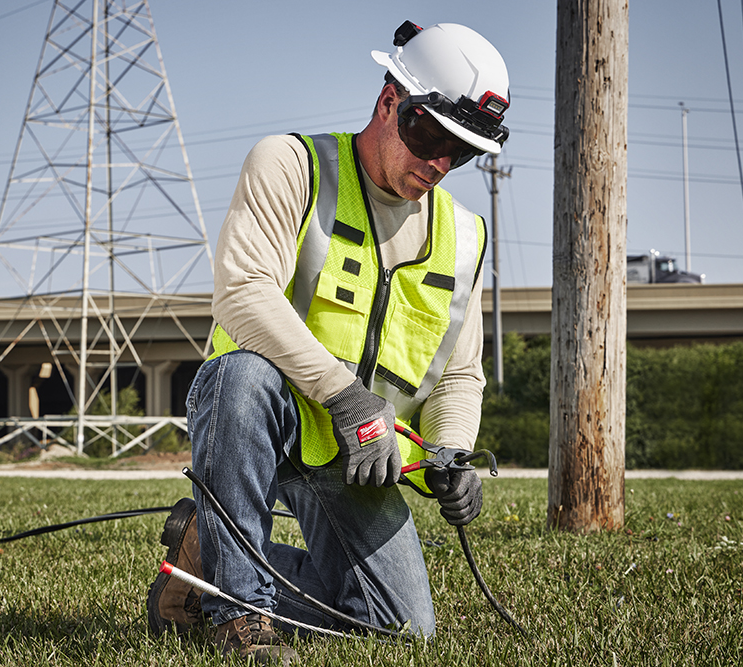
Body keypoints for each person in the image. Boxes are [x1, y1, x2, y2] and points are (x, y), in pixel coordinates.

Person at [147, 20, 511, 665]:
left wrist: (449, 456)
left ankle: (200, 566)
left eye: (462, 152)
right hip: (264, 418)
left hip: (355, 455)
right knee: (241, 379)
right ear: (389, 101)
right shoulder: (293, 165)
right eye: (429, 135)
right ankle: (241, 617)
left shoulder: (465, 236)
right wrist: (343, 395)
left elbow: (459, 374)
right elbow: (242, 291)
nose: (438, 163)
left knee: (402, 630)